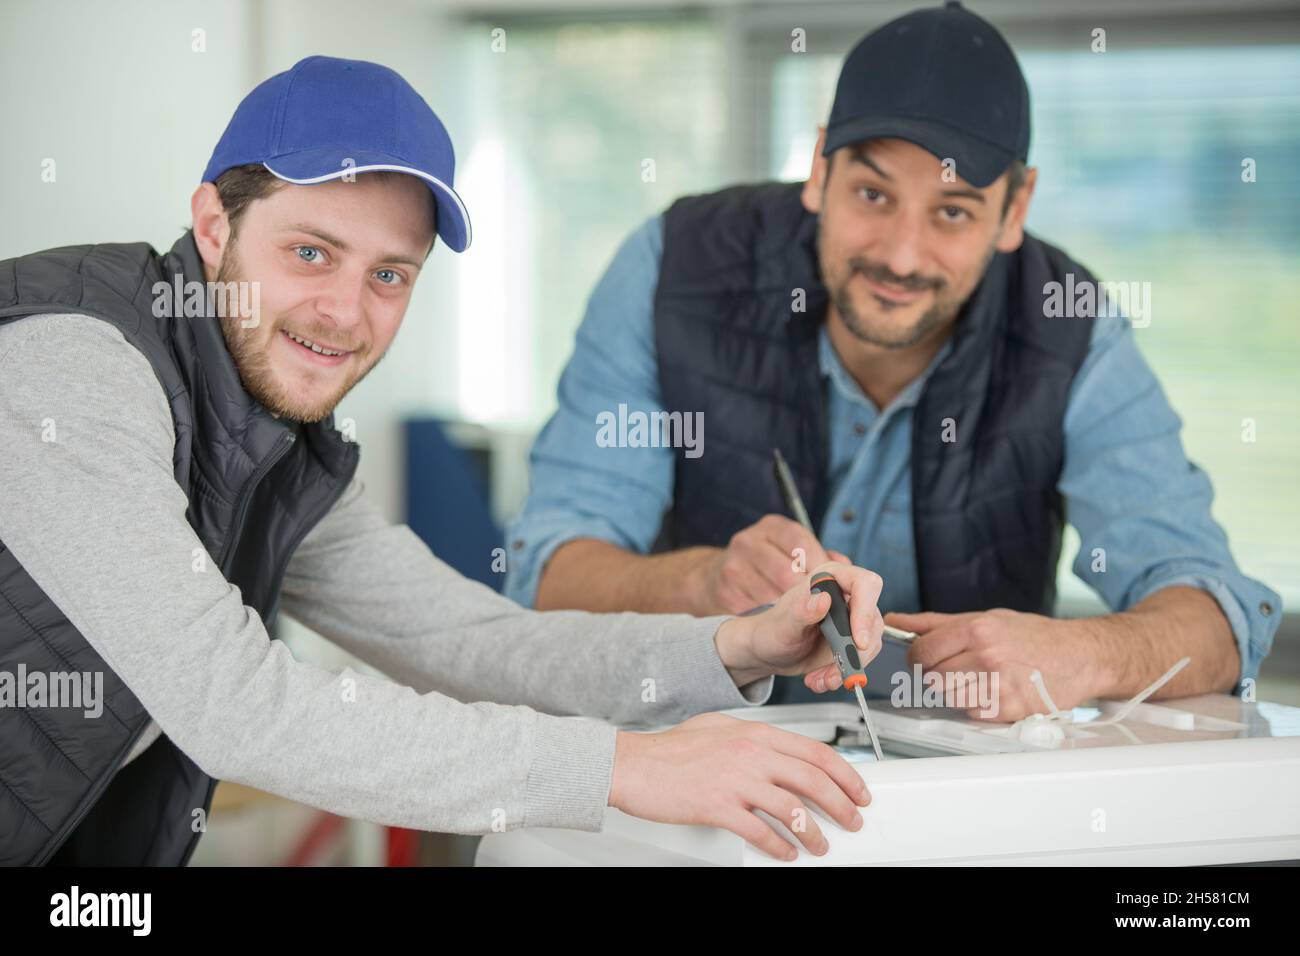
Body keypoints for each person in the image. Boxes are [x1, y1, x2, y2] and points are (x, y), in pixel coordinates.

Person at [0, 55, 882, 866]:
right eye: (311, 252)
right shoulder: (72, 369)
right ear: (210, 227)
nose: (345, 312)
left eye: (390, 275)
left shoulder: (279, 444)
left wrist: (732, 647)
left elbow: (470, 642)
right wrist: (623, 767)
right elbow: (236, 706)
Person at [504, 2, 1281, 715]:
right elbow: (544, 578)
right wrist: (700, 582)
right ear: (819, 170)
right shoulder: (670, 269)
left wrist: (1083, 653)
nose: (901, 256)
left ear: (1015, 208)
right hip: (692, 780)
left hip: (960, 809)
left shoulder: (1070, 328)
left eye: (952, 211)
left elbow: (1221, 615)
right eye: (873, 195)